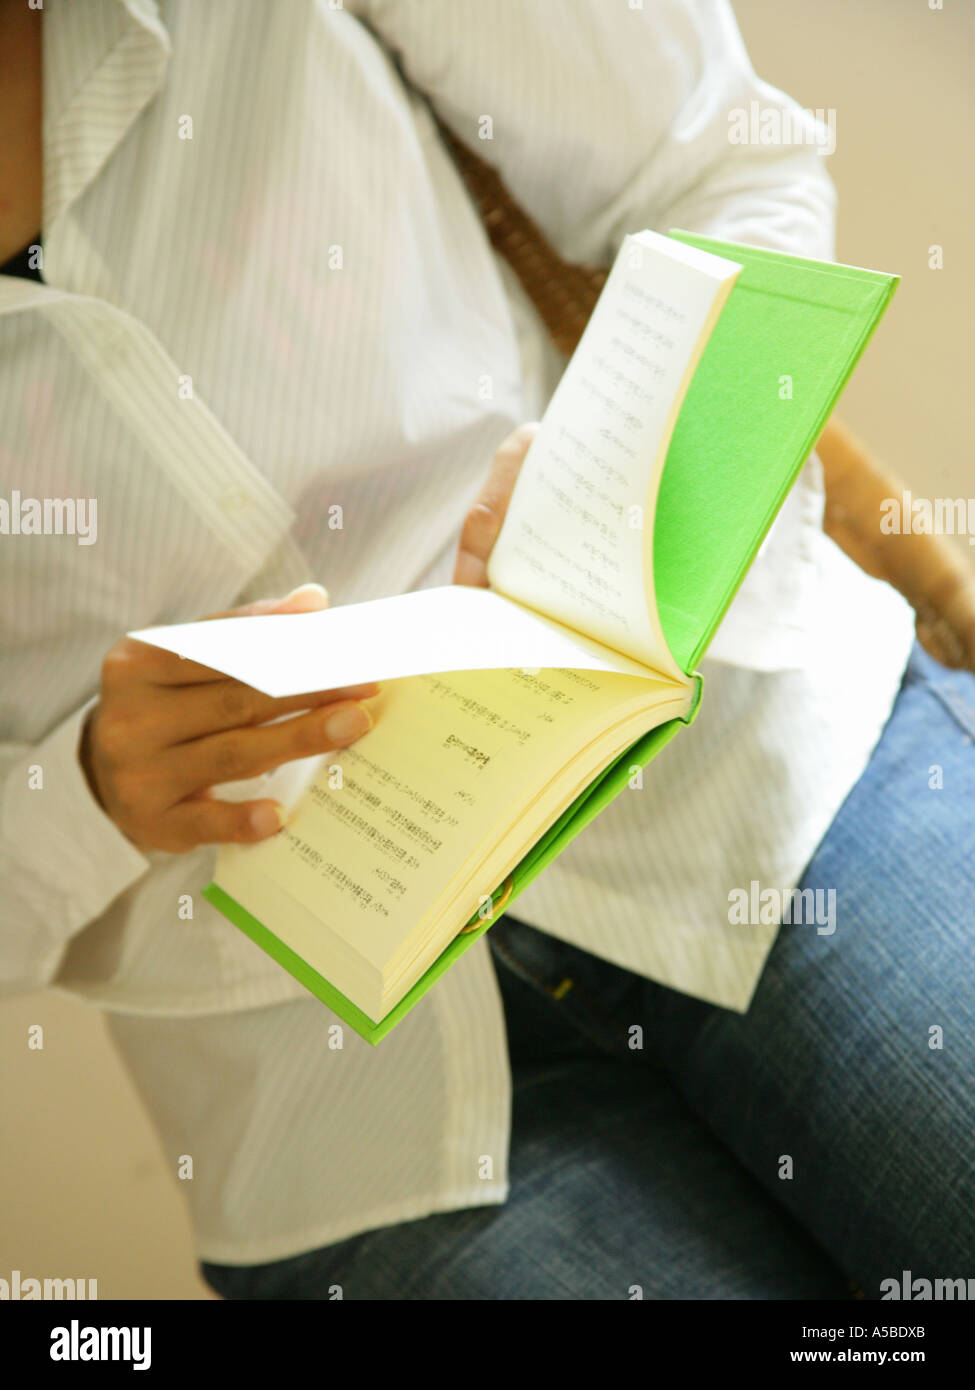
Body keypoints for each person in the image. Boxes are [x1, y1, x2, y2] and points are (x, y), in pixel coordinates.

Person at [1, 0, 971, 1300]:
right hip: (330, 1111)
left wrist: (635, 469)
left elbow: (732, 165)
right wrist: (83, 790)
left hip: (749, 772)